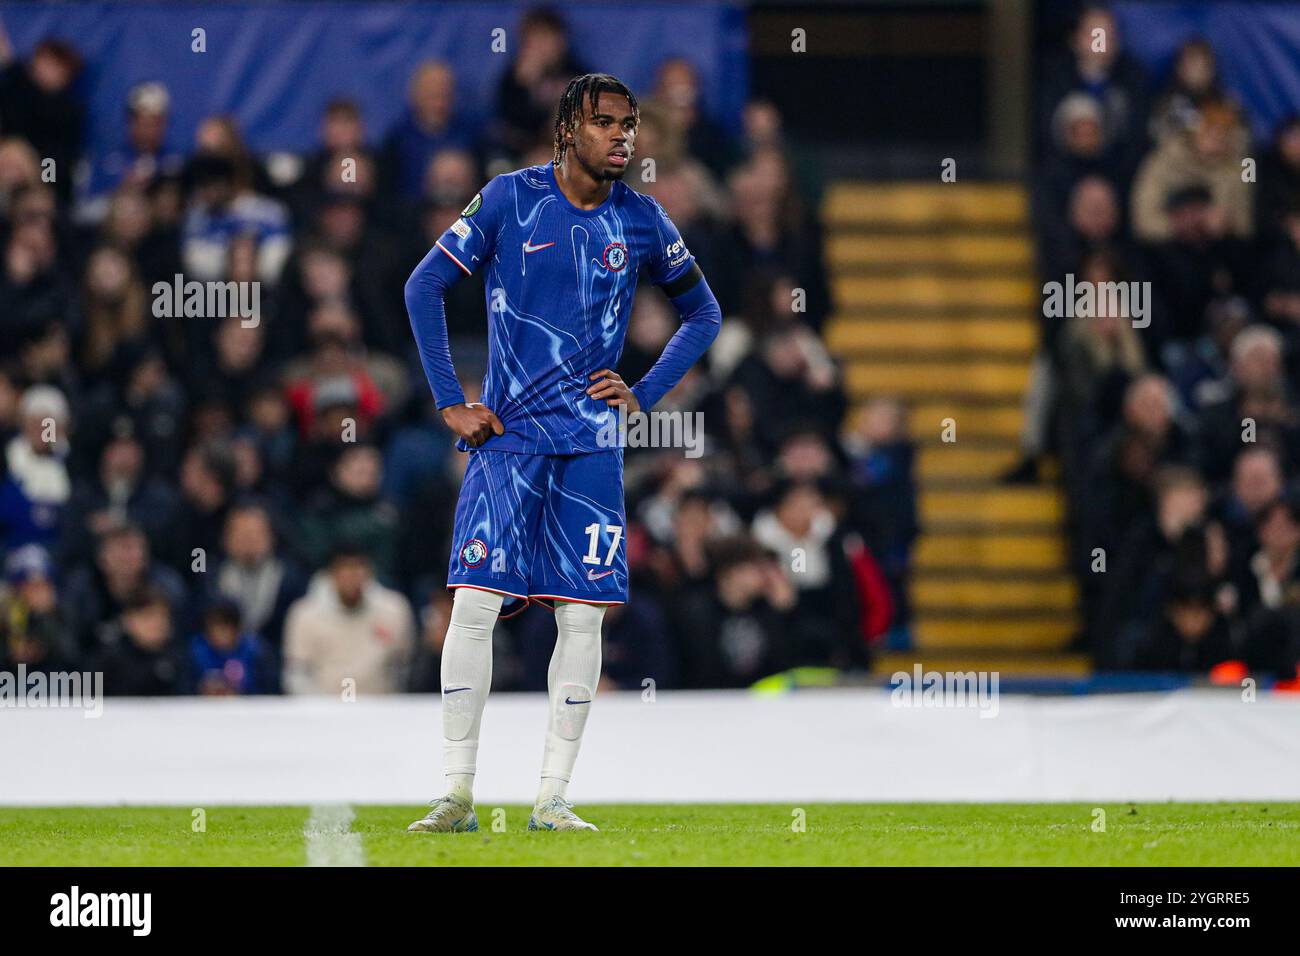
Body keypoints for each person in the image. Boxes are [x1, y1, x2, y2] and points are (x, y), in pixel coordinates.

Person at [404, 74, 721, 832]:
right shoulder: (510, 200)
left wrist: (643, 392)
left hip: (591, 450)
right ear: (567, 129)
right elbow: (424, 286)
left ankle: (551, 798)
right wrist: (451, 398)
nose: (623, 137)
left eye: (631, 125)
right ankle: (455, 794)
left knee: (583, 621)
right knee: (474, 606)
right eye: (607, 123)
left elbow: (703, 314)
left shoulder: (642, 220)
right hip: (508, 440)